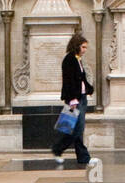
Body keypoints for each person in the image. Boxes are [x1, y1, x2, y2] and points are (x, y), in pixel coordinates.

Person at [52, 34, 96, 167]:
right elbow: (69, 81)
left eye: (85, 47)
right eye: (83, 47)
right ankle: (59, 149)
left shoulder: (77, 59)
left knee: (74, 128)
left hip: (81, 97)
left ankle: (81, 157)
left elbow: (81, 79)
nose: (84, 50)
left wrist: (89, 88)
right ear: (76, 46)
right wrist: (72, 99)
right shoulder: (69, 59)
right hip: (75, 99)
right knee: (76, 129)